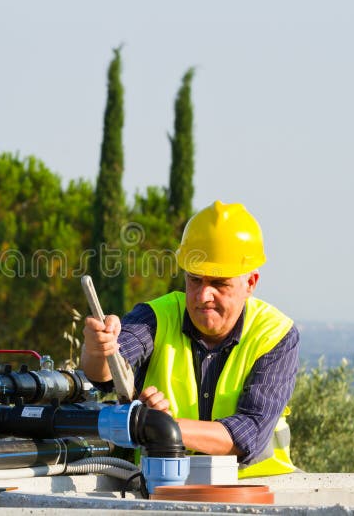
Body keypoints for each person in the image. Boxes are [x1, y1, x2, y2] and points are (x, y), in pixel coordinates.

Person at [81, 200, 299, 478]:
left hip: (257, 492)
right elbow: (105, 375)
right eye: (195, 280)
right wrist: (98, 349)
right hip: (164, 485)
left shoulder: (275, 333)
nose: (203, 295)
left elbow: (249, 433)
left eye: (219, 283)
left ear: (251, 283)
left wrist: (163, 425)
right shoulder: (155, 317)